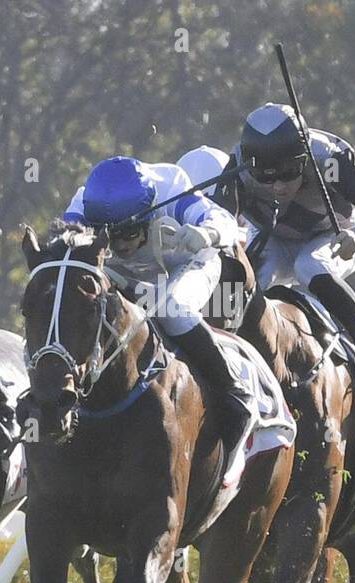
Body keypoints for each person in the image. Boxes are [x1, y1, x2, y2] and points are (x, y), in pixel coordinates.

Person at [64, 155, 253, 470]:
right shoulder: (83, 204)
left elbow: (223, 222)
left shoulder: (170, 187)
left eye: (130, 231)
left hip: (187, 260)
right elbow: (62, 247)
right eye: (111, 235)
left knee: (170, 307)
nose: (121, 243)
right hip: (126, 274)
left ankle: (233, 393)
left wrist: (206, 234)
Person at [216, 103, 355, 403]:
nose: (278, 187)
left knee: (309, 265)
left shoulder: (331, 156)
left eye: (288, 174)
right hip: (275, 240)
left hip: (334, 237)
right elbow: (219, 222)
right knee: (250, 279)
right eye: (266, 178)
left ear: (304, 158)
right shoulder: (237, 167)